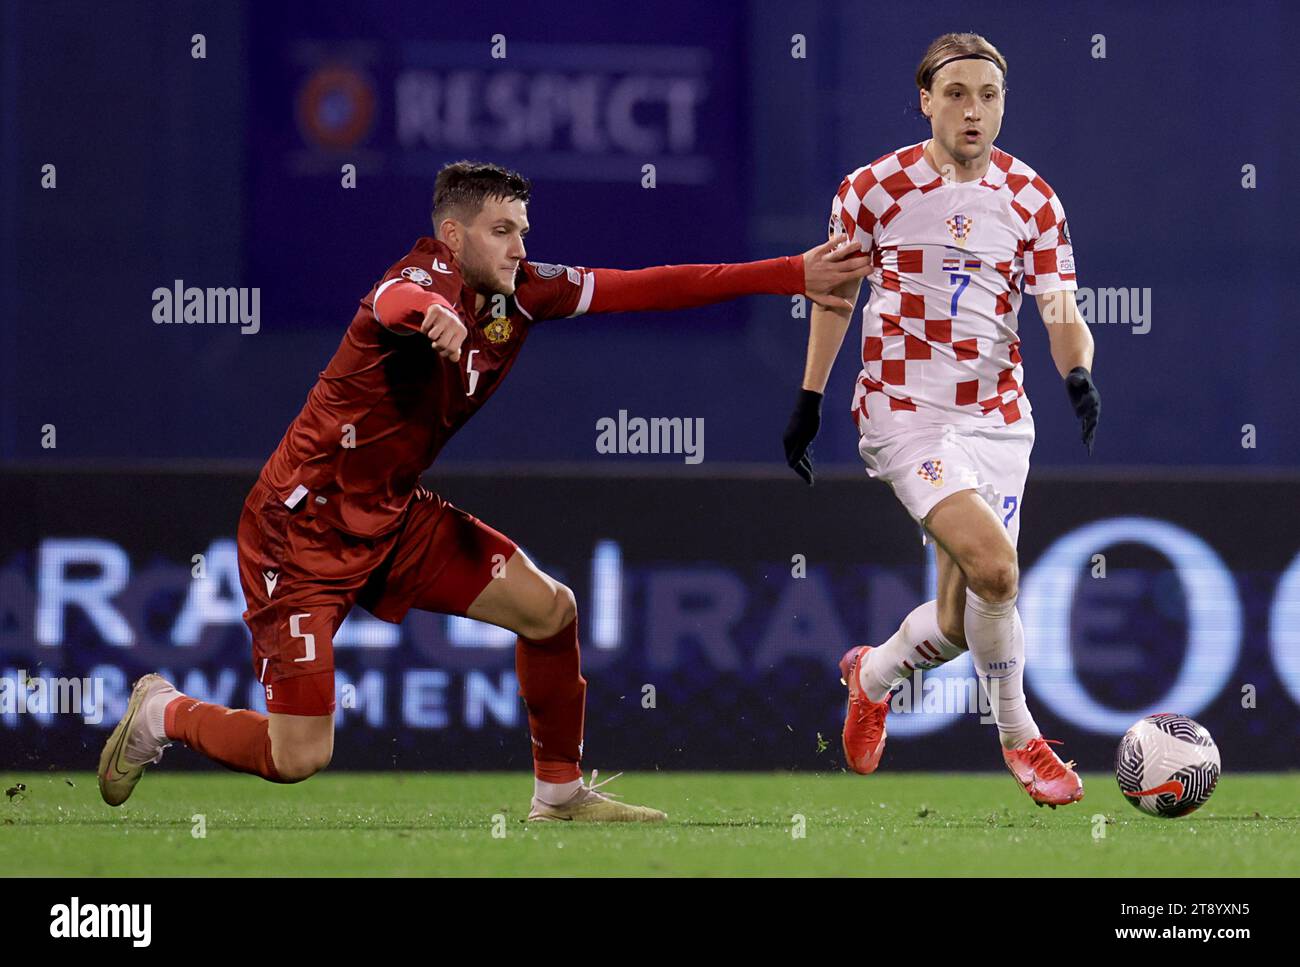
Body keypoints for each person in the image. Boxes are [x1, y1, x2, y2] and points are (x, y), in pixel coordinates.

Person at [98, 160, 872, 822]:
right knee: (297, 754)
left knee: (550, 609)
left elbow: (649, 287)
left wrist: (790, 276)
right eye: (504, 230)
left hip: (394, 517)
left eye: (524, 229)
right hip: (300, 529)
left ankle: (559, 795)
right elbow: (395, 302)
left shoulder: (524, 294)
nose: (521, 245)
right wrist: (435, 315)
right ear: (457, 235)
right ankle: (163, 711)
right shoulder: (421, 276)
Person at [782, 33, 1101, 807]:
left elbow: (1060, 309)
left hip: (997, 420)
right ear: (926, 99)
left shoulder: (1033, 199)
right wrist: (811, 399)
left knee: (964, 619)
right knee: (997, 569)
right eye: (956, 93)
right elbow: (836, 296)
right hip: (904, 413)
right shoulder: (872, 189)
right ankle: (1022, 737)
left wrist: (1078, 372)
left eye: (988, 96)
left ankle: (875, 672)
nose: (973, 110)